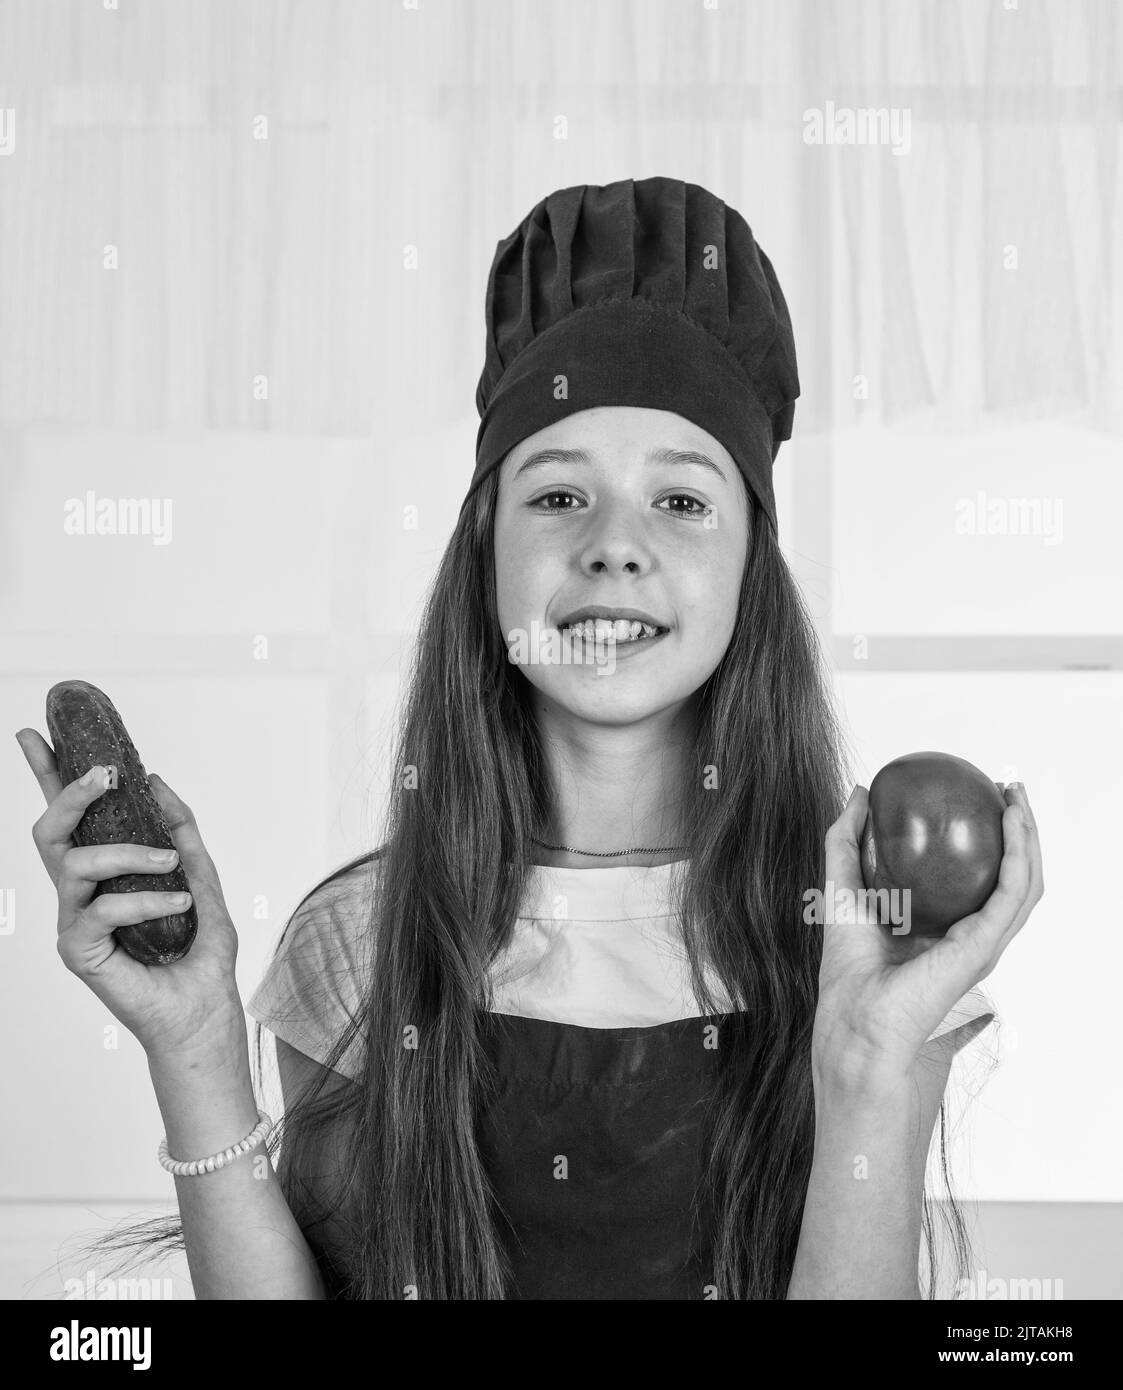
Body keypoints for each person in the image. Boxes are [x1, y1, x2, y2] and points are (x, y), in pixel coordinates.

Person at [18, 176, 1043, 1300]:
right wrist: (193, 1043)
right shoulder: (356, 943)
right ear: (485, 556)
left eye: (684, 500)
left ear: (755, 566)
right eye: (558, 497)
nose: (614, 545)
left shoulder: (861, 935)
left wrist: (868, 1060)